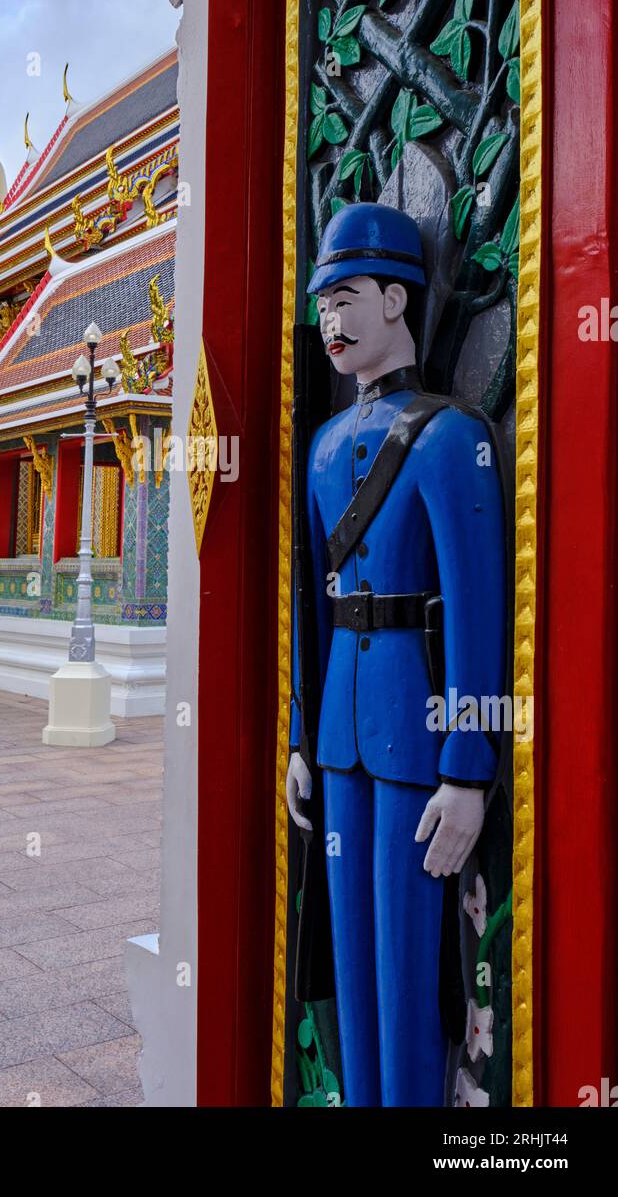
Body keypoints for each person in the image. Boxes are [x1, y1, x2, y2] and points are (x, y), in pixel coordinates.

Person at [287, 202, 507, 1107]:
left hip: (421, 740)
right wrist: (301, 735)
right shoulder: (323, 446)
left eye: (346, 299)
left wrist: (468, 764)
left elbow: (479, 612)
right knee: (352, 958)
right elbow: (309, 604)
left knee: (411, 973)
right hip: (340, 732)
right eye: (322, 304)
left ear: (394, 297)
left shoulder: (453, 439)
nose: (331, 322)